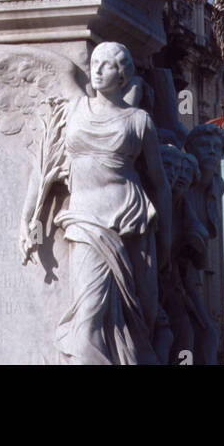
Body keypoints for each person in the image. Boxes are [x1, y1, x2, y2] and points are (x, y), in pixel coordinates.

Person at [21, 41, 171, 364]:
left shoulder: (139, 121)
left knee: (139, 316)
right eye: (95, 63)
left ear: (124, 74)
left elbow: (159, 184)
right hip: (85, 220)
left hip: (131, 219)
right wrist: (27, 217)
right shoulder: (74, 108)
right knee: (88, 315)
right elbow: (43, 166)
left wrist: (167, 237)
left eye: (108, 65)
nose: (98, 70)